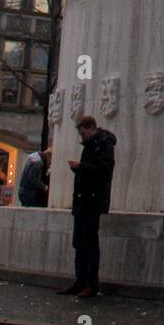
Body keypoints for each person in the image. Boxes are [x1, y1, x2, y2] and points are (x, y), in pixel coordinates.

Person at [57, 116, 116, 299]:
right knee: (79, 243)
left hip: (93, 201)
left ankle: (91, 284)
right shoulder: (92, 145)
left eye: (83, 133)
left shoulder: (103, 145)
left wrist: (81, 167)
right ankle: (80, 281)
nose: (81, 137)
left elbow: (105, 171)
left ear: (91, 128)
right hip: (83, 200)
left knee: (89, 243)